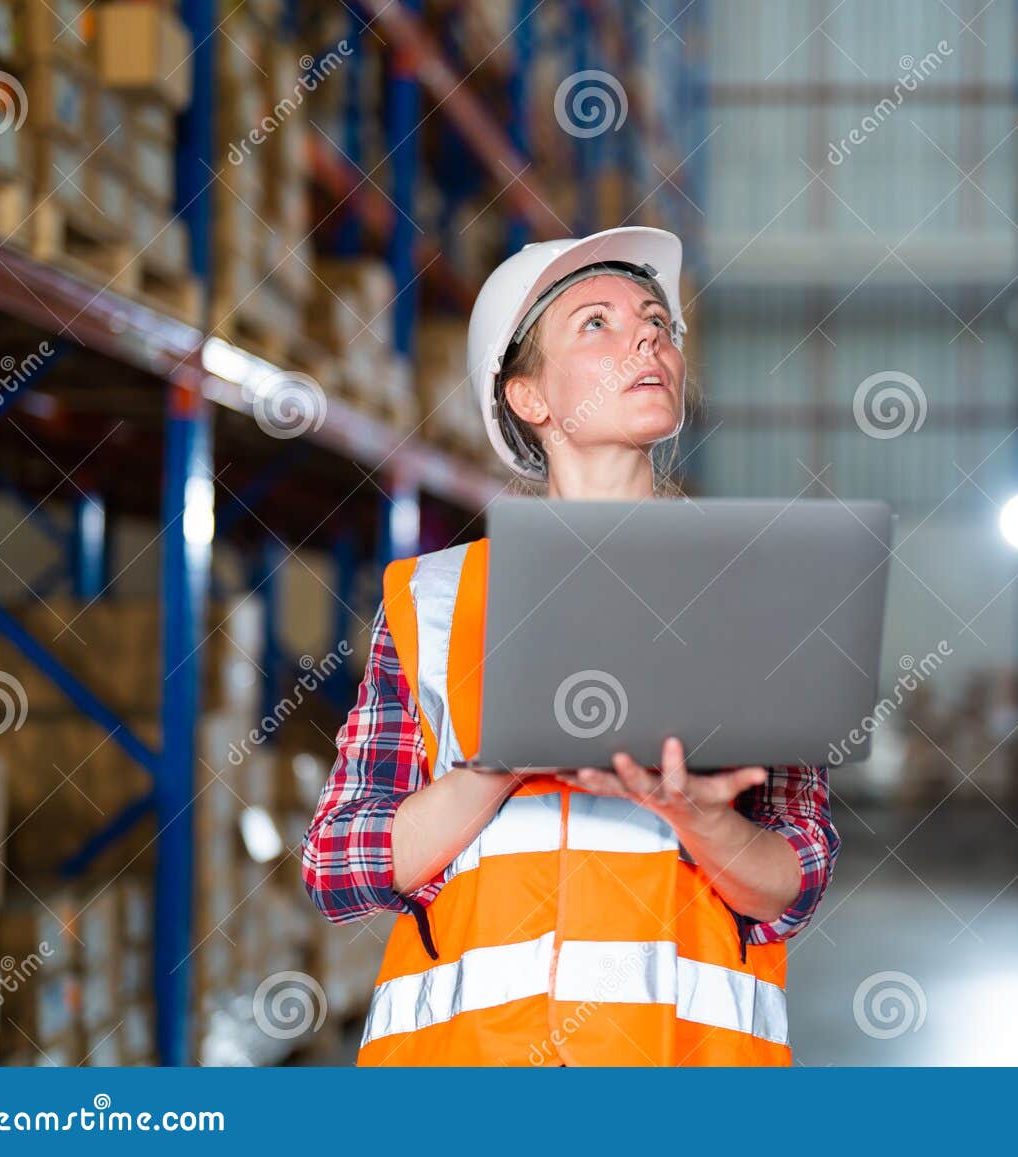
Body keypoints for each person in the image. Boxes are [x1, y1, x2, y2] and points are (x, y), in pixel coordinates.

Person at [300, 227, 840, 1066]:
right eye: (598, 323)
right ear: (530, 399)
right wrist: (498, 764)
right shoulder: (436, 601)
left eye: (658, 320)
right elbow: (340, 864)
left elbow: (795, 879)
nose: (649, 335)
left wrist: (700, 818)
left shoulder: (755, 589)